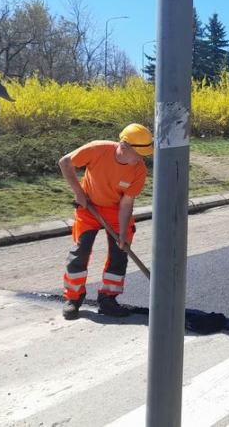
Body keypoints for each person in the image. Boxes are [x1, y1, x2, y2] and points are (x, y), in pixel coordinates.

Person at [59, 123, 152, 320]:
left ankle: (108, 299)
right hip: (88, 207)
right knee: (80, 252)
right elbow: (65, 162)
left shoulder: (139, 170)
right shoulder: (97, 150)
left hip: (116, 211)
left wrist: (122, 233)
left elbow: (127, 204)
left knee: (120, 252)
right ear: (124, 147)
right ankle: (73, 299)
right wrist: (79, 192)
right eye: (138, 154)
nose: (140, 160)